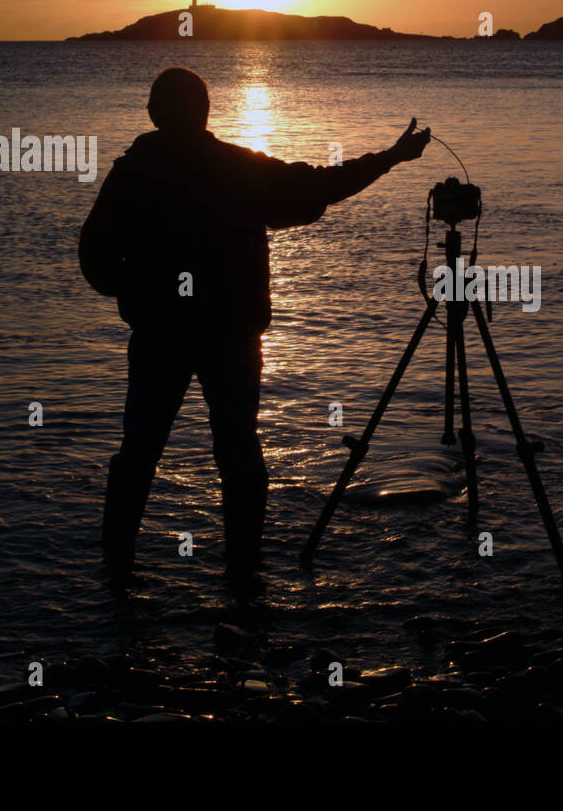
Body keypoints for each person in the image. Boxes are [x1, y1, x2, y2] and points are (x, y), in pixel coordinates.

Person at [78, 66, 430, 592]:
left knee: (141, 451)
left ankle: (116, 573)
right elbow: (316, 185)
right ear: (204, 113)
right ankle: (244, 573)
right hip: (229, 333)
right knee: (238, 450)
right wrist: (391, 158)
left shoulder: (133, 172)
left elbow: (94, 257)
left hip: (161, 335)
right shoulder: (233, 168)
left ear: (155, 114)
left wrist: (134, 291)